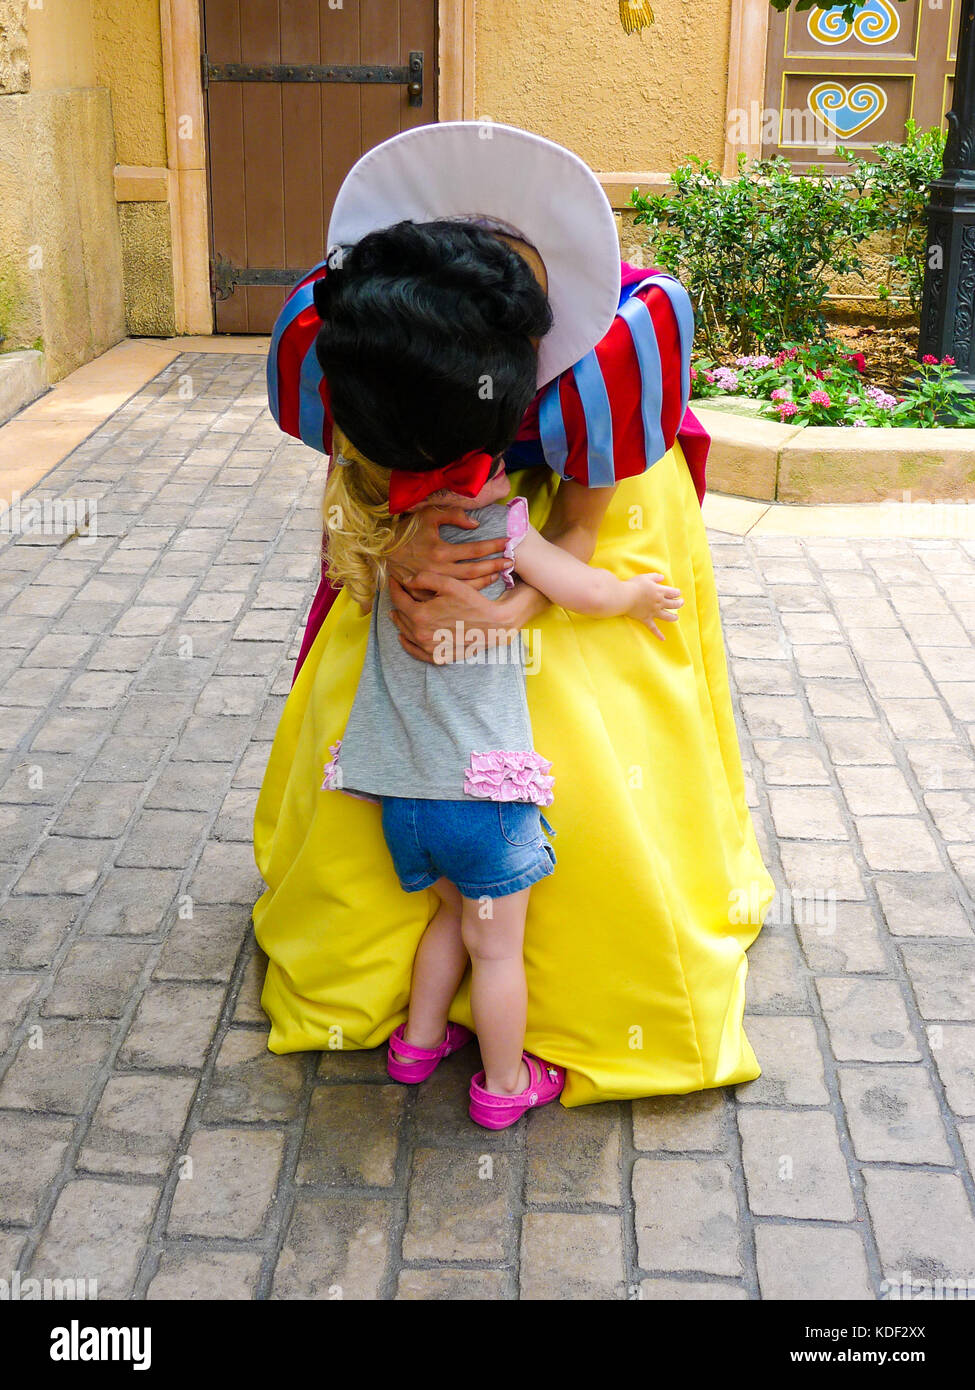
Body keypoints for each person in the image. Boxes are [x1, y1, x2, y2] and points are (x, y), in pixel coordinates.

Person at [255, 122, 774, 1107]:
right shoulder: (345, 333)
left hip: (582, 507)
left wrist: (510, 610)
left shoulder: (614, 356)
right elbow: (363, 475)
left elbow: (580, 533)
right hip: (456, 521)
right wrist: (398, 535)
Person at [315, 220, 684, 1129]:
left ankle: (415, 1045)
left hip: (400, 795)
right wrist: (636, 597)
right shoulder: (505, 527)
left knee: (449, 923)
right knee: (499, 949)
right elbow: (587, 590)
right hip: (484, 801)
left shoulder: (382, 534)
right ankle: (504, 1086)